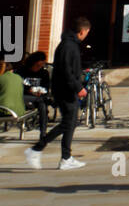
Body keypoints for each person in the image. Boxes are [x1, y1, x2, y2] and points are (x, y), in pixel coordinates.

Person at [25, 17, 90, 170]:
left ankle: (66, 158)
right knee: (68, 123)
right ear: (82, 31)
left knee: (71, 122)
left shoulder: (69, 44)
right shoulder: (69, 46)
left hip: (66, 89)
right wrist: (78, 87)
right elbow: (67, 71)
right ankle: (36, 149)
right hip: (65, 91)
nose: (86, 34)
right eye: (87, 32)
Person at [14, 51, 50, 135]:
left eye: (41, 66)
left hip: (37, 98)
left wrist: (41, 92)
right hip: (23, 96)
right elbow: (17, 85)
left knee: (42, 104)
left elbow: (46, 87)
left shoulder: (44, 73)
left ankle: (43, 131)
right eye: (37, 65)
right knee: (41, 102)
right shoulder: (21, 71)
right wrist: (28, 90)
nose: (39, 67)